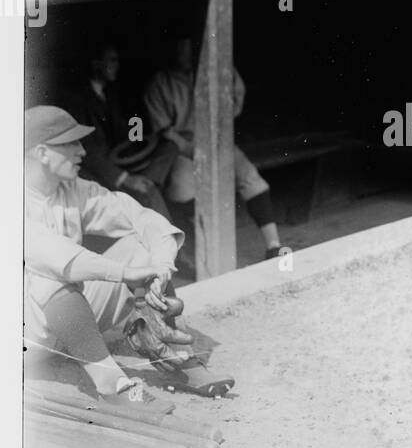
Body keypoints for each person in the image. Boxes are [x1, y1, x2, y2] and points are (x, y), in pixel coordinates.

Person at [23, 106, 224, 401]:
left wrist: (161, 266)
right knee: (51, 275)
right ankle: (110, 383)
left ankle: (172, 358)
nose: (82, 151)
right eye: (71, 143)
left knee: (141, 250)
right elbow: (52, 255)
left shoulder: (72, 189)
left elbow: (139, 217)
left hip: (62, 327)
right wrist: (126, 274)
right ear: (42, 152)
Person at [143, 35, 282, 260]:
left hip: (216, 140)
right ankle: (201, 253)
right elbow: (165, 130)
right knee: (181, 189)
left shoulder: (211, 70)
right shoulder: (160, 82)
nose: (185, 54)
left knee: (250, 177)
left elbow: (235, 103)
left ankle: (274, 245)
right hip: (182, 146)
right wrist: (191, 151)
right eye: (180, 50)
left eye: (189, 49)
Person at [67, 40, 178, 216]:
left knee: (169, 147)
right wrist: (125, 179)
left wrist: (145, 140)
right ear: (96, 64)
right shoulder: (77, 100)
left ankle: (144, 186)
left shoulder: (110, 93)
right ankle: (168, 237)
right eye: (111, 60)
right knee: (150, 193)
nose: (116, 65)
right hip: (100, 173)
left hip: (119, 161)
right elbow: (88, 152)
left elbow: (122, 134)